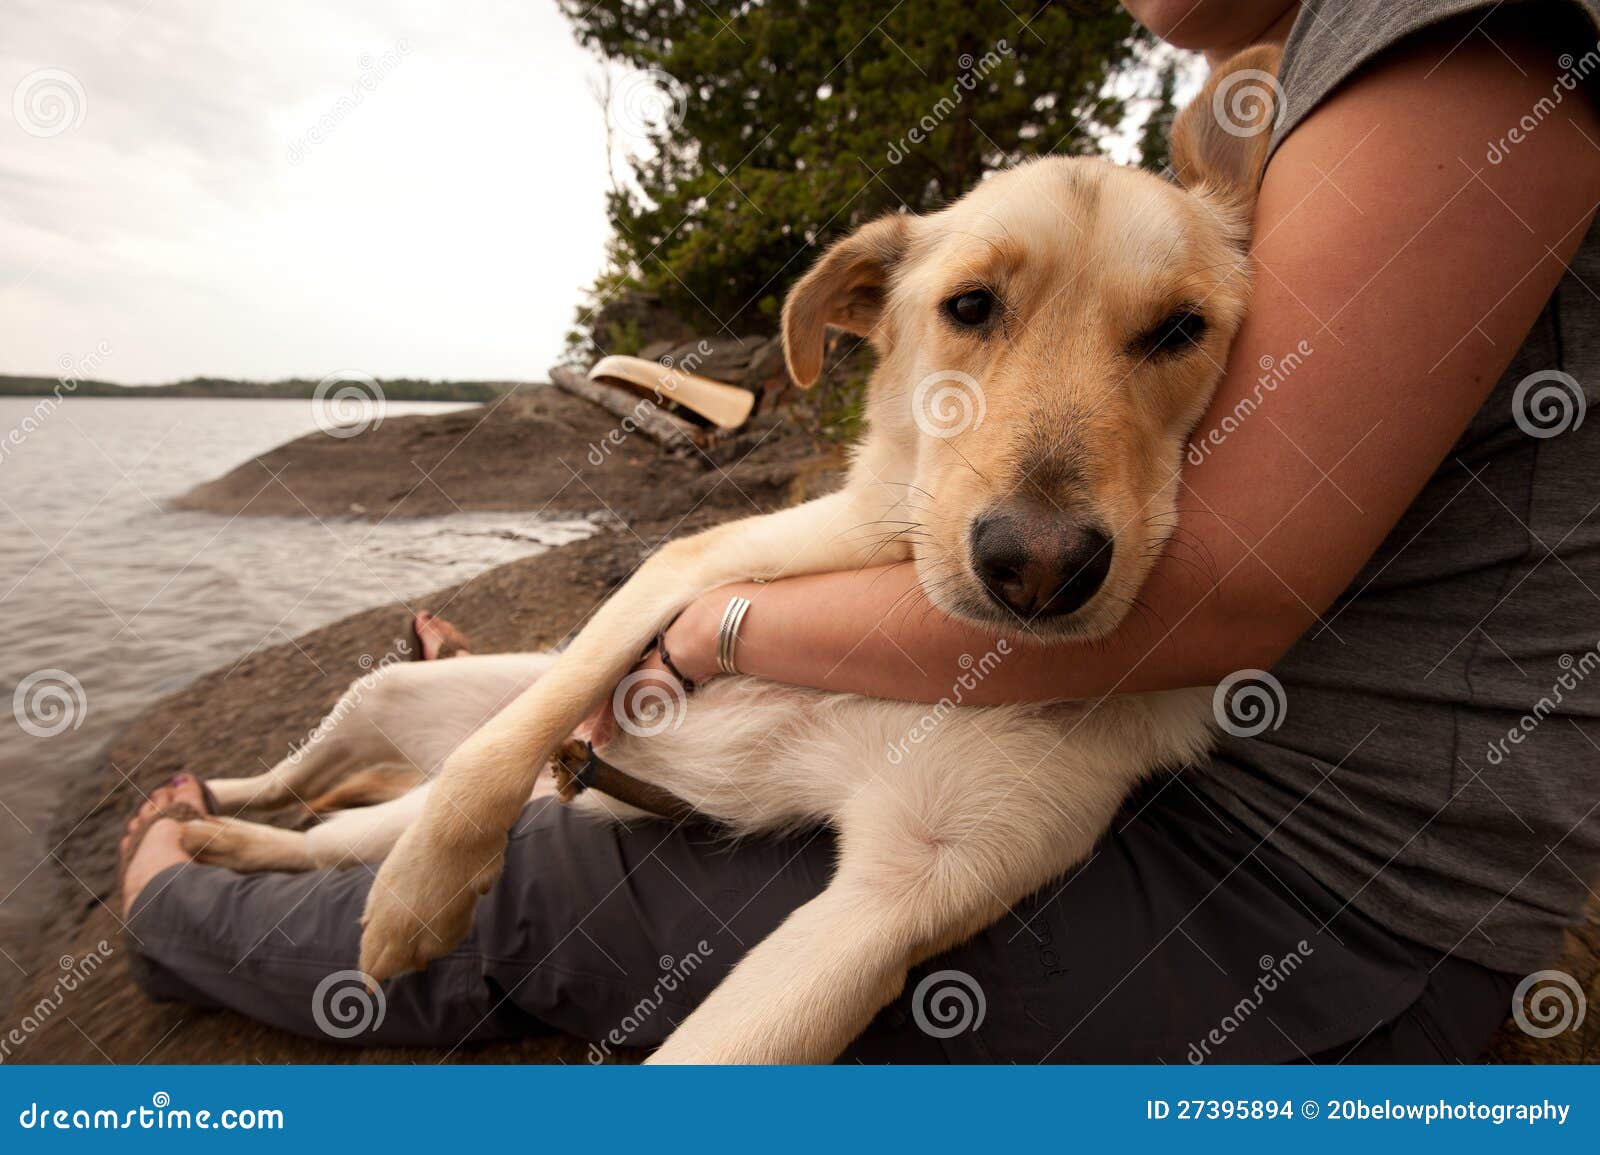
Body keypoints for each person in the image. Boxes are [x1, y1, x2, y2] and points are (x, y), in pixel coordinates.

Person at [120, 0, 1600, 1062]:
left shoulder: (1450, 48)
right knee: (518, 774)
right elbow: (711, 569)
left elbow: (1223, 598)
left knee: (533, 889)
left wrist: (710, 634)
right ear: (874, 310)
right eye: (975, 310)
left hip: (1319, 902)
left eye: (1166, 335)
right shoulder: (1302, 100)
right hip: (1231, 816)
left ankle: (170, 910)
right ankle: (290, 816)